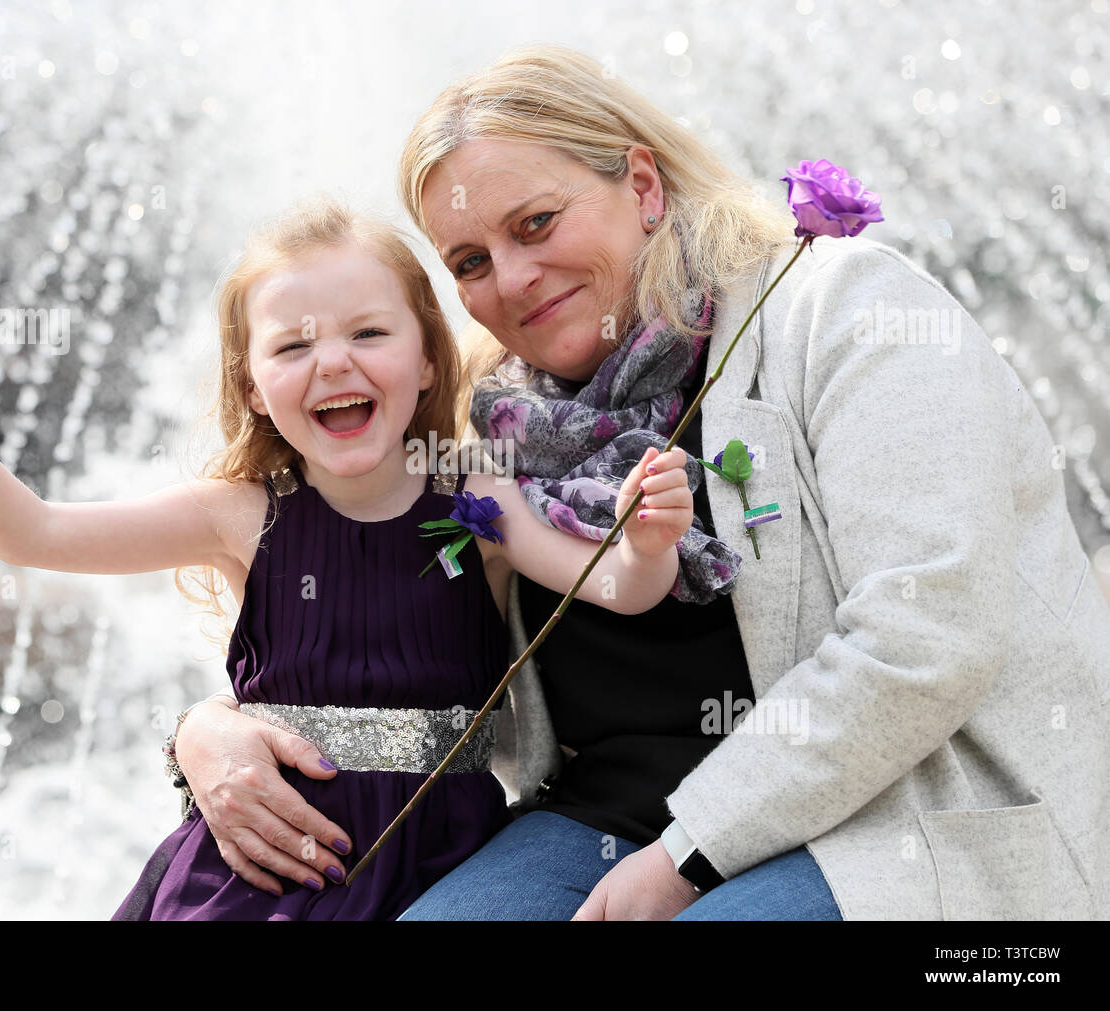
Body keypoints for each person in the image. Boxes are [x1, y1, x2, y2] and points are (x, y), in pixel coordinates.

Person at [172, 46, 1110, 920]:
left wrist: (687, 855)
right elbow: (373, 650)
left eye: (535, 223)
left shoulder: (843, 311)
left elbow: (924, 632)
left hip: (895, 819)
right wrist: (207, 732)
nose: (514, 277)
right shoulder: (488, 429)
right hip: (597, 822)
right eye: (470, 261)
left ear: (646, 185)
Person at [0, 196, 696, 920]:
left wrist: (649, 542)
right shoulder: (239, 512)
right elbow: (33, 534)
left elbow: (619, 588)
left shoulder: (473, 494)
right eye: (292, 346)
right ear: (251, 385)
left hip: (439, 863)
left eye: (369, 332)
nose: (333, 361)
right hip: (262, 872)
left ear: (425, 360)